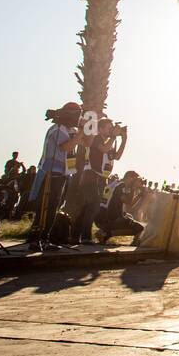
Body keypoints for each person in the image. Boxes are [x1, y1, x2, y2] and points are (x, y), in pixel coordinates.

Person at [27, 102, 84, 250]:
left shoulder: (69, 130)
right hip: (50, 172)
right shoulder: (58, 129)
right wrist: (81, 132)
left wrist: (83, 130)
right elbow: (67, 146)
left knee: (53, 207)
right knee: (45, 206)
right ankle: (35, 239)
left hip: (61, 173)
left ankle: (45, 238)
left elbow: (82, 143)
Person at [68, 116, 128, 244]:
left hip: (100, 177)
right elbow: (103, 149)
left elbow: (117, 156)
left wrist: (124, 139)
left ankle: (75, 236)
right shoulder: (96, 138)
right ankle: (85, 237)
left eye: (112, 128)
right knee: (93, 206)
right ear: (100, 129)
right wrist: (114, 136)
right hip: (91, 175)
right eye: (109, 128)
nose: (111, 130)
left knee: (87, 207)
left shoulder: (108, 141)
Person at [94, 170, 146, 243]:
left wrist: (139, 195)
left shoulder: (116, 184)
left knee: (129, 217)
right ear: (129, 178)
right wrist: (133, 189)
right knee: (140, 228)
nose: (135, 182)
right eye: (135, 180)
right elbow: (129, 202)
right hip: (108, 219)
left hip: (101, 217)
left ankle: (104, 234)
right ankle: (104, 233)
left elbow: (128, 204)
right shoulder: (121, 186)